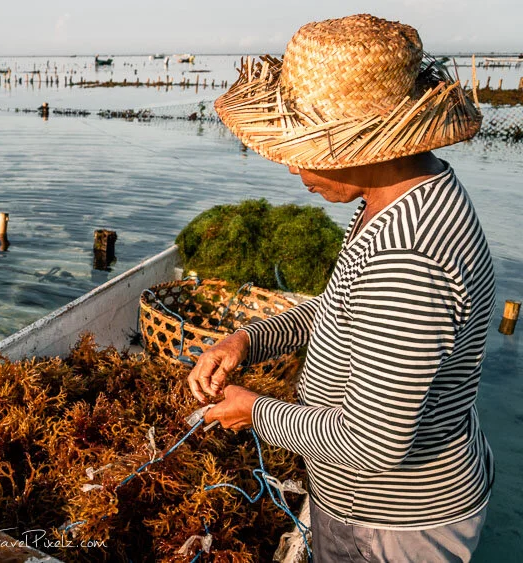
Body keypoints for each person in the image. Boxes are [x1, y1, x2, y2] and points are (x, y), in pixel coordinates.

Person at [188, 14, 494, 563]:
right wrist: (247, 341)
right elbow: (338, 310)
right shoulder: (398, 199)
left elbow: (372, 444)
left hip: (392, 523)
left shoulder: (409, 256)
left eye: (303, 150)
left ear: (364, 147)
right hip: (364, 503)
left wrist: (254, 411)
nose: (291, 168)